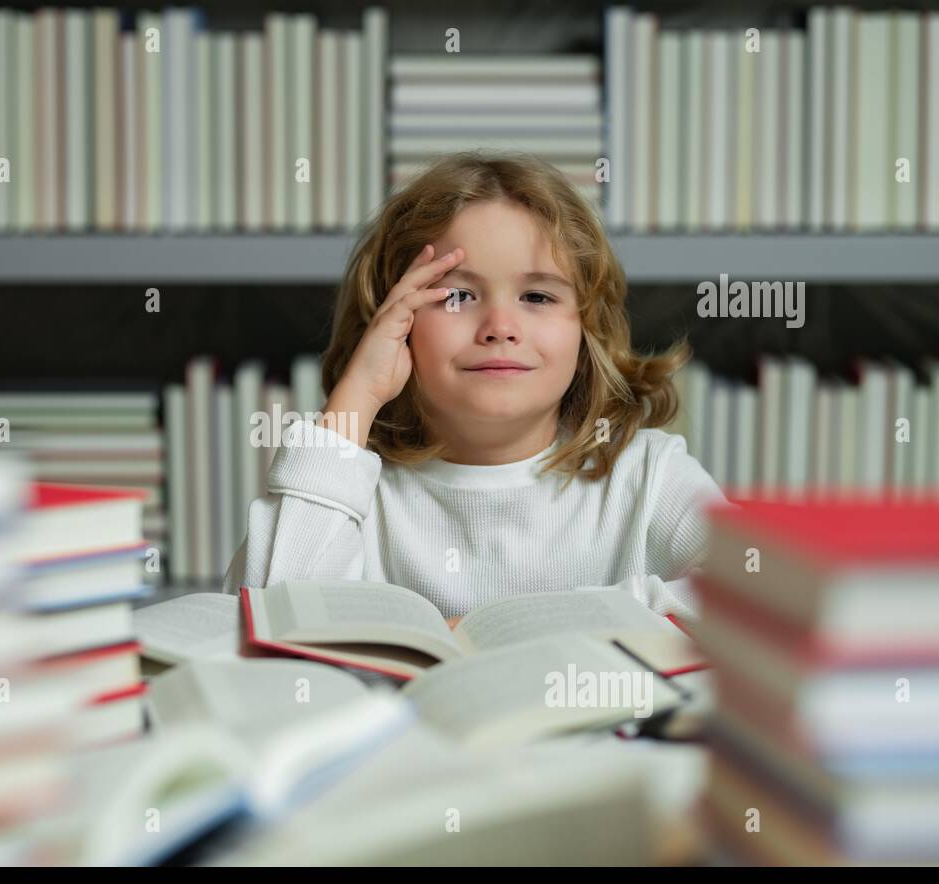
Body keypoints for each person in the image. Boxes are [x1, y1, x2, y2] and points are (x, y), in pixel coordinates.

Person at [223, 152, 726, 621]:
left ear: (585, 328)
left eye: (536, 295)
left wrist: (536, 623)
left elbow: (761, 595)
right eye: (458, 295)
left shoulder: (647, 474)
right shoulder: (352, 486)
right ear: (392, 324)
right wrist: (356, 398)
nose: (500, 327)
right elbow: (266, 623)